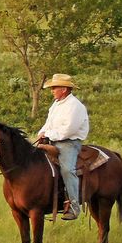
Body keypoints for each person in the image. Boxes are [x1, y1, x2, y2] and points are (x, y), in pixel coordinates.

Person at [35, 73, 89, 220]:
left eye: (54, 87)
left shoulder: (75, 106)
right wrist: (42, 133)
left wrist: (49, 135)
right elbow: (48, 123)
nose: (52, 90)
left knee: (67, 170)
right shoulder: (56, 105)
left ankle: (73, 206)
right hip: (52, 140)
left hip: (69, 143)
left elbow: (68, 130)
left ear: (64, 89)